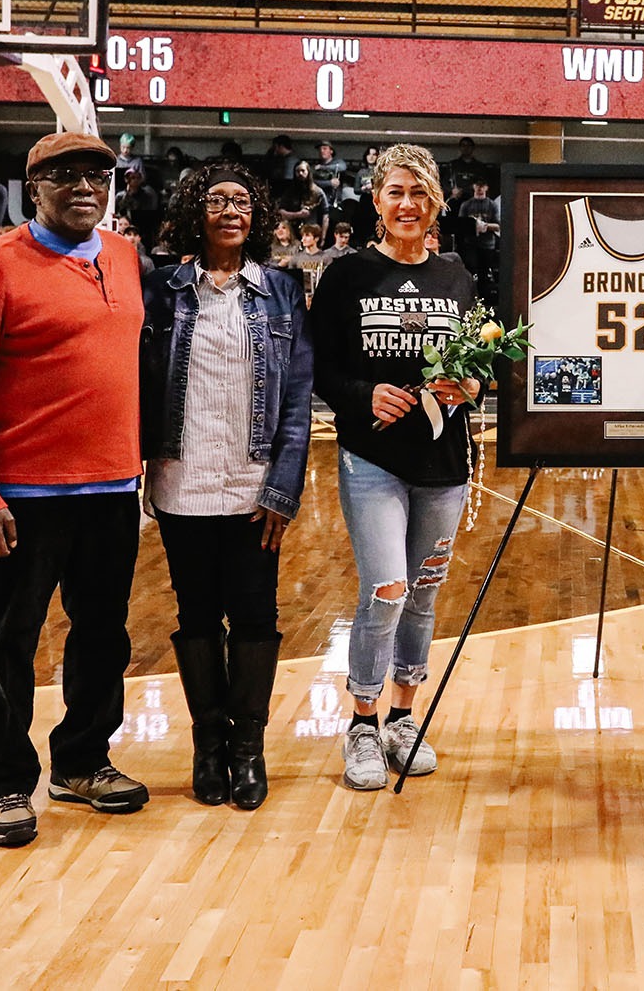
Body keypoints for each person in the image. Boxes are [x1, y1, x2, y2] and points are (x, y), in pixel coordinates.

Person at [0, 131, 150, 848]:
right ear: (35, 187)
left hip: (112, 491)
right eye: (65, 176)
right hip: (22, 499)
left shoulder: (122, 255)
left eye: (97, 174)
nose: (84, 186)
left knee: (102, 638)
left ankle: (83, 761)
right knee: (6, 644)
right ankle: (2, 781)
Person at [309, 143, 480, 791]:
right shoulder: (347, 276)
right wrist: (362, 395)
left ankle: (404, 720)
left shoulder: (458, 278)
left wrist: (472, 387)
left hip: (444, 461)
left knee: (425, 592)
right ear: (377, 201)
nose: (407, 204)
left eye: (419, 193)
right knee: (387, 587)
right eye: (396, 192)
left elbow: (479, 362)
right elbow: (320, 366)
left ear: (435, 203)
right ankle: (361, 721)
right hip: (372, 457)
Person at [144, 163, 313, 811]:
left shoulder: (280, 290)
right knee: (194, 616)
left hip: (253, 489)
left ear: (257, 215)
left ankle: (248, 750)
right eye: (216, 200)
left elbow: (297, 399)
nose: (231, 209)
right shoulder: (163, 290)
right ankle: (206, 745)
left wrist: (284, 487)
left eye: (242, 199)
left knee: (256, 616)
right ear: (196, 211)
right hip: (182, 483)